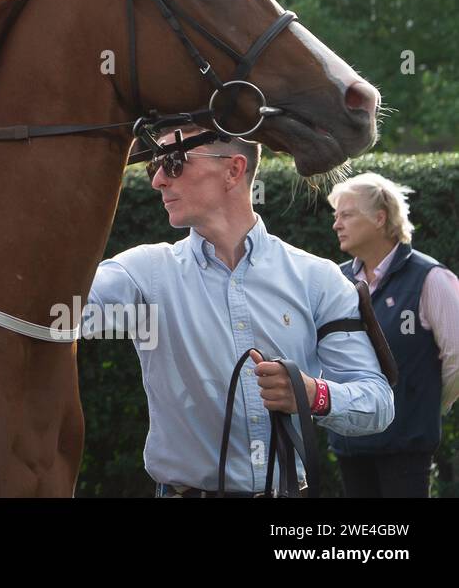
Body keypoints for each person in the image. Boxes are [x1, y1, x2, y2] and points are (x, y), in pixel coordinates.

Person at [86, 123, 394, 496]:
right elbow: (56, 316)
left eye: (174, 162)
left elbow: (377, 403)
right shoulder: (142, 273)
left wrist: (311, 394)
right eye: (155, 166)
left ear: (233, 170)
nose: (158, 181)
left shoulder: (319, 279)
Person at [327, 173, 459, 497]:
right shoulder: (334, 281)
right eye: (335, 216)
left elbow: (457, 356)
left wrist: (428, 404)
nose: (336, 224)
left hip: (406, 448)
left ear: (380, 218)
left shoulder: (431, 278)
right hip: (350, 445)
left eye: (346, 214)